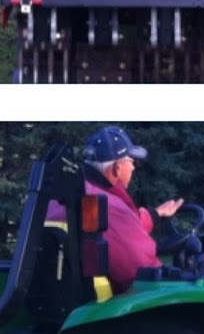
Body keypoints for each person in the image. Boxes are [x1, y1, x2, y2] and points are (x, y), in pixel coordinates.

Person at [59, 126, 183, 295]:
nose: (134, 168)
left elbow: (118, 230)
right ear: (117, 167)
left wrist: (155, 214)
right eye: (132, 162)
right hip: (103, 308)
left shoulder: (72, 194)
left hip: (62, 296)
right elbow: (144, 273)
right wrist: (182, 278)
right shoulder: (107, 207)